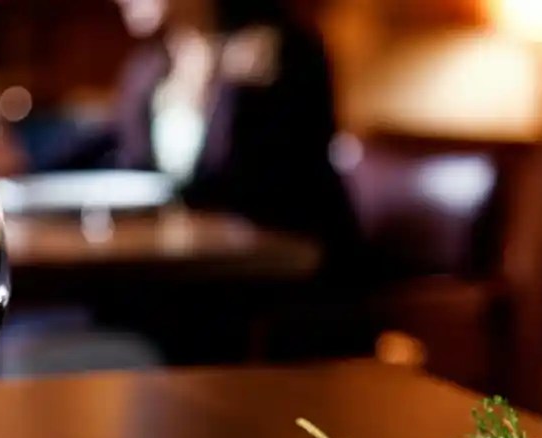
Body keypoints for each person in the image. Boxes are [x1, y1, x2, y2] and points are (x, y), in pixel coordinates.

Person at [62, 0, 358, 260]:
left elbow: (277, 190)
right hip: (179, 272)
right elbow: (110, 149)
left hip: (274, 281)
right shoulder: (149, 68)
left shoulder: (279, 54)